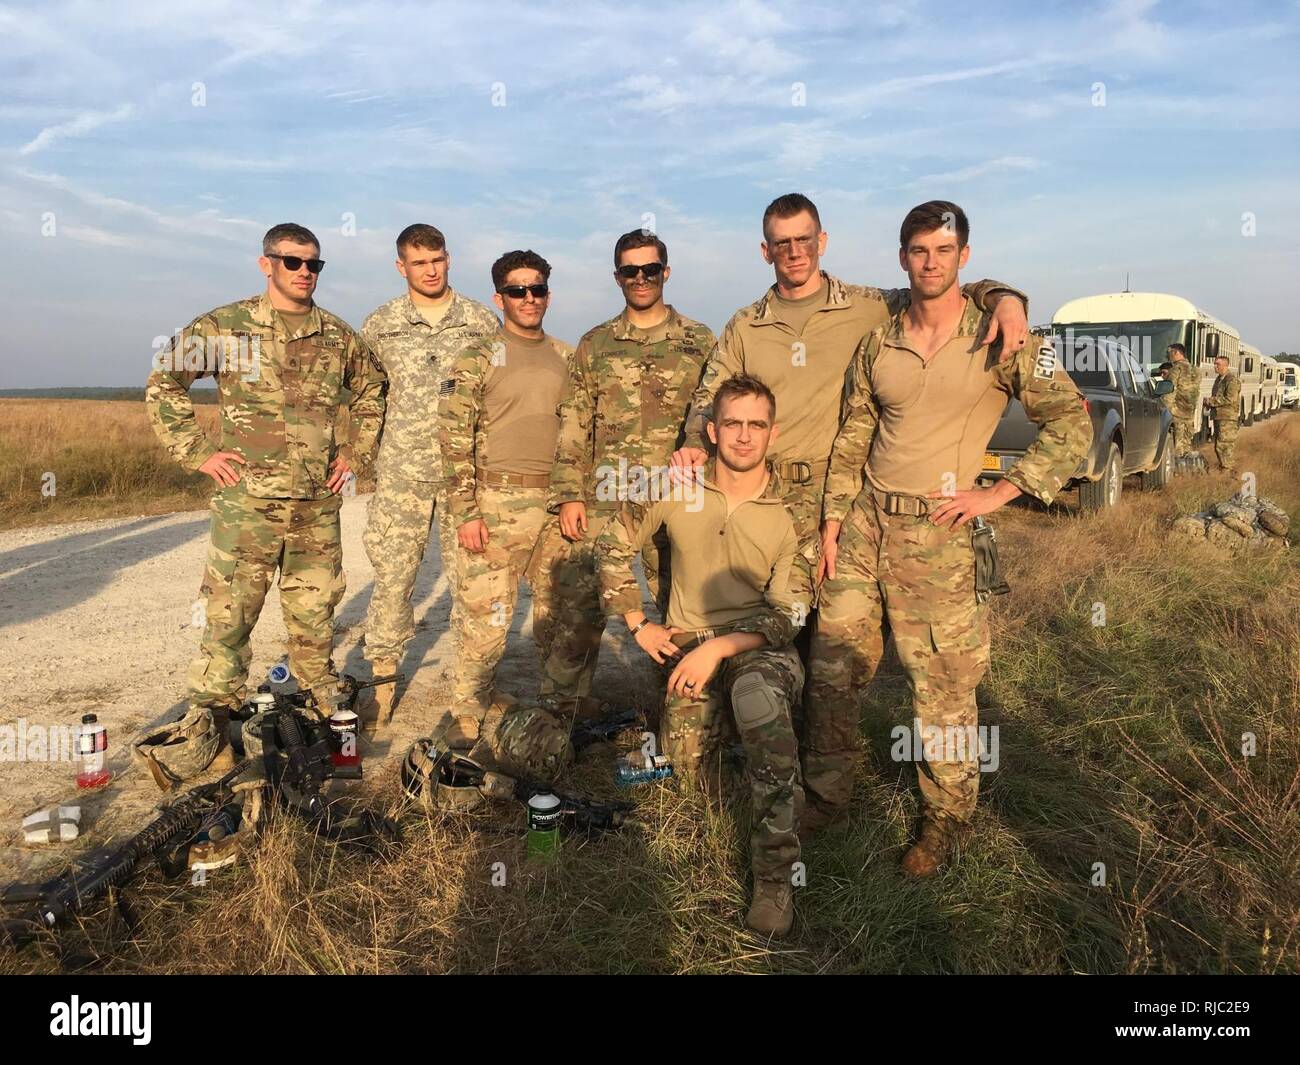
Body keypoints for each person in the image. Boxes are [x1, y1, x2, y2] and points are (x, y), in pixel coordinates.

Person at [808, 201, 1092, 874]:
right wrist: (831, 521)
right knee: (831, 670)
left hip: (937, 532)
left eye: (942, 249)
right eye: (917, 250)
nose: (929, 261)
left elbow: (1073, 423)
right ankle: (826, 797)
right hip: (864, 522)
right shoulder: (880, 340)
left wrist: (1000, 491)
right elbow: (854, 432)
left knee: (940, 686)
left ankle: (945, 823)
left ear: (964, 256)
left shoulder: (1004, 338)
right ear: (901, 257)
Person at [146, 222, 386, 766]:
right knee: (229, 609)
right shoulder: (227, 327)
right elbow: (165, 382)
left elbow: (375, 389)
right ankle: (213, 711)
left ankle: (318, 693)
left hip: (315, 504)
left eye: (314, 264)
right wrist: (198, 454)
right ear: (267, 264)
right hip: (247, 503)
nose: (305, 273)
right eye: (293, 262)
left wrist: (356, 453)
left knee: (315, 606)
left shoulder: (337, 335)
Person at [671, 192, 1030, 548]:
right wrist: (694, 443)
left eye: (803, 240)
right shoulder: (745, 325)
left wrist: (1005, 299)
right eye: (782, 244)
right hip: (763, 490)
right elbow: (710, 397)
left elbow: (941, 287)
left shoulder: (872, 306)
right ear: (766, 252)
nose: (795, 253)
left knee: (834, 604)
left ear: (821, 242)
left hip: (841, 495)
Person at [598, 373, 813, 937]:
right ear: (712, 431)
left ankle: (774, 877)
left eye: (757, 425)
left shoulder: (792, 505)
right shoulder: (675, 486)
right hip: (685, 645)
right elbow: (610, 544)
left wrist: (722, 647)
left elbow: (792, 612)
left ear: (773, 432)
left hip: (757, 646)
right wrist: (638, 622)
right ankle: (758, 764)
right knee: (690, 772)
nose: (744, 437)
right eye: (733, 424)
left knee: (757, 698)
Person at [541, 229, 718, 713]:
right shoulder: (595, 343)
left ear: (666, 271)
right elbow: (573, 423)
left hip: (675, 498)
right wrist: (568, 495)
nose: (640, 279)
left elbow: (713, 416)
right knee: (580, 610)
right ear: (617, 276)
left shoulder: (700, 340)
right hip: (606, 496)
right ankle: (558, 722)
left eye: (650, 269)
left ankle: (684, 719)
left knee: (679, 610)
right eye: (630, 271)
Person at [359, 224, 498, 726]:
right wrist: (357, 457)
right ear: (402, 267)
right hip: (402, 473)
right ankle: (381, 680)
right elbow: (367, 397)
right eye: (419, 263)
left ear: (449, 258)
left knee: (471, 583)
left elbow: (496, 395)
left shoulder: (481, 323)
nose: (431, 270)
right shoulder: (381, 325)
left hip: (465, 474)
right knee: (394, 579)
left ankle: (471, 691)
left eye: (437, 259)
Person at [438, 250, 572, 714]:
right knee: (487, 618)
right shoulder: (477, 357)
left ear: (548, 295)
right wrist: (466, 512)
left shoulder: (565, 356)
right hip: (496, 502)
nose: (529, 298)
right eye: (517, 291)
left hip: (555, 503)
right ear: (499, 298)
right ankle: (469, 708)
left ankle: (560, 705)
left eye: (537, 289)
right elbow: (452, 439)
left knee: (558, 613)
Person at [1204, 354, 1241, 472]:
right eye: (1215, 364)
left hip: (1228, 418)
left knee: (1224, 445)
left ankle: (1227, 471)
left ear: (1226, 365)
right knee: (1218, 445)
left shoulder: (1231, 380)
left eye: (1217, 364)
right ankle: (1224, 469)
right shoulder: (1219, 379)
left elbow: (1231, 399)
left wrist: (1211, 401)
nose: (1215, 366)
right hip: (1219, 417)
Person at [1165, 343, 1199, 457]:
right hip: (1190, 411)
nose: (1168, 355)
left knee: (1177, 445)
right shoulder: (1195, 369)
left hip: (1177, 411)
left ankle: (1177, 471)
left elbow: (1169, 391)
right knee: (1187, 443)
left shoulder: (1176, 369)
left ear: (1176, 353)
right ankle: (1188, 469)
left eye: (1169, 353)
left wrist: (1168, 409)